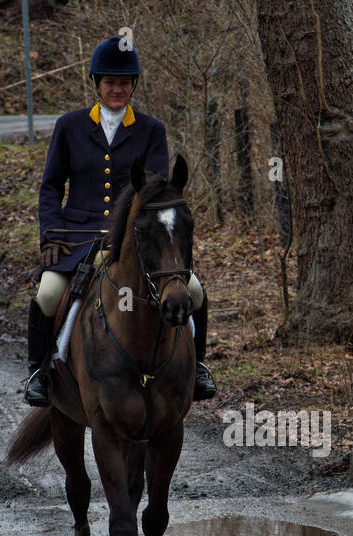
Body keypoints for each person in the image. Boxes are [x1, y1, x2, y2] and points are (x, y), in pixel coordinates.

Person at [24, 36, 216, 406]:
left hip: (134, 241)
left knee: (193, 291)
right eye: (110, 82)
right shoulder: (70, 126)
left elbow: (157, 193)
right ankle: (39, 371)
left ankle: (199, 368)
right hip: (77, 239)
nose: (117, 89)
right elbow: (50, 187)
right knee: (48, 293)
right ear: (96, 83)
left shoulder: (150, 129)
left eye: (124, 83)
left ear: (133, 85)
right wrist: (50, 237)